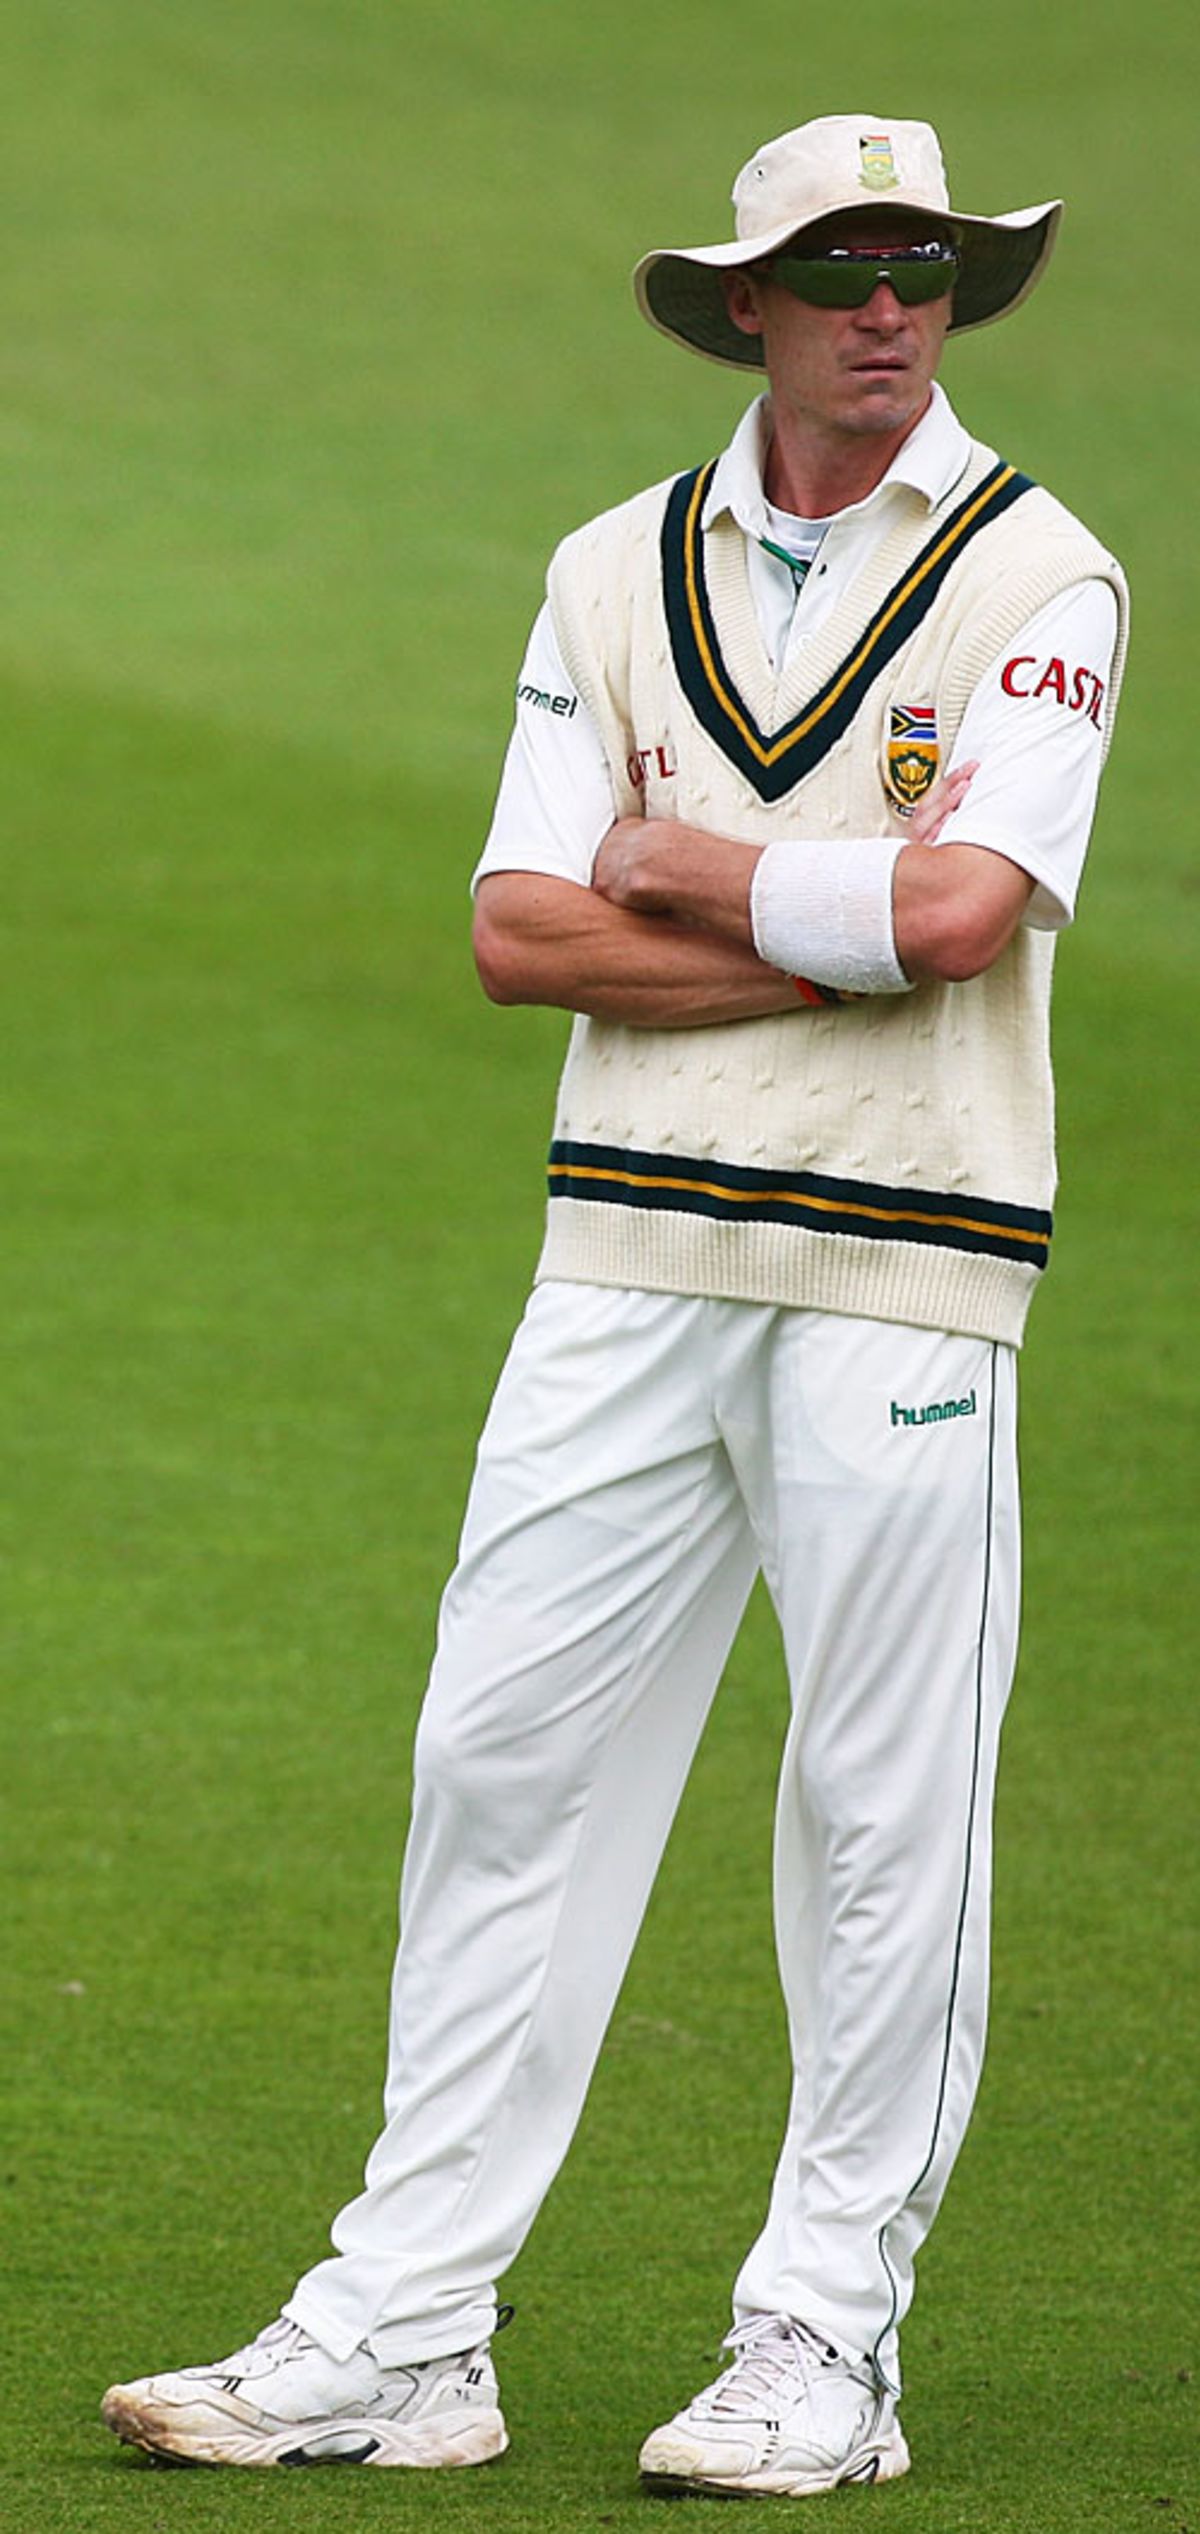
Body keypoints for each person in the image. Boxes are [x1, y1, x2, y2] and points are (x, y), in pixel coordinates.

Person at [102, 113, 1128, 2495]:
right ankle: (404, 2330)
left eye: (929, 265)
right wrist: (809, 911)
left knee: (885, 1823)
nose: (893, 302)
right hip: (623, 1254)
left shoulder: (1042, 572)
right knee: (501, 1767)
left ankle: (824, 2349)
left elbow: (966, 924)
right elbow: (514, 934)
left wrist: (679, 863)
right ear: (748, 300)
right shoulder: (611, 565)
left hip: (908, 1268)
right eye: (846, 264)